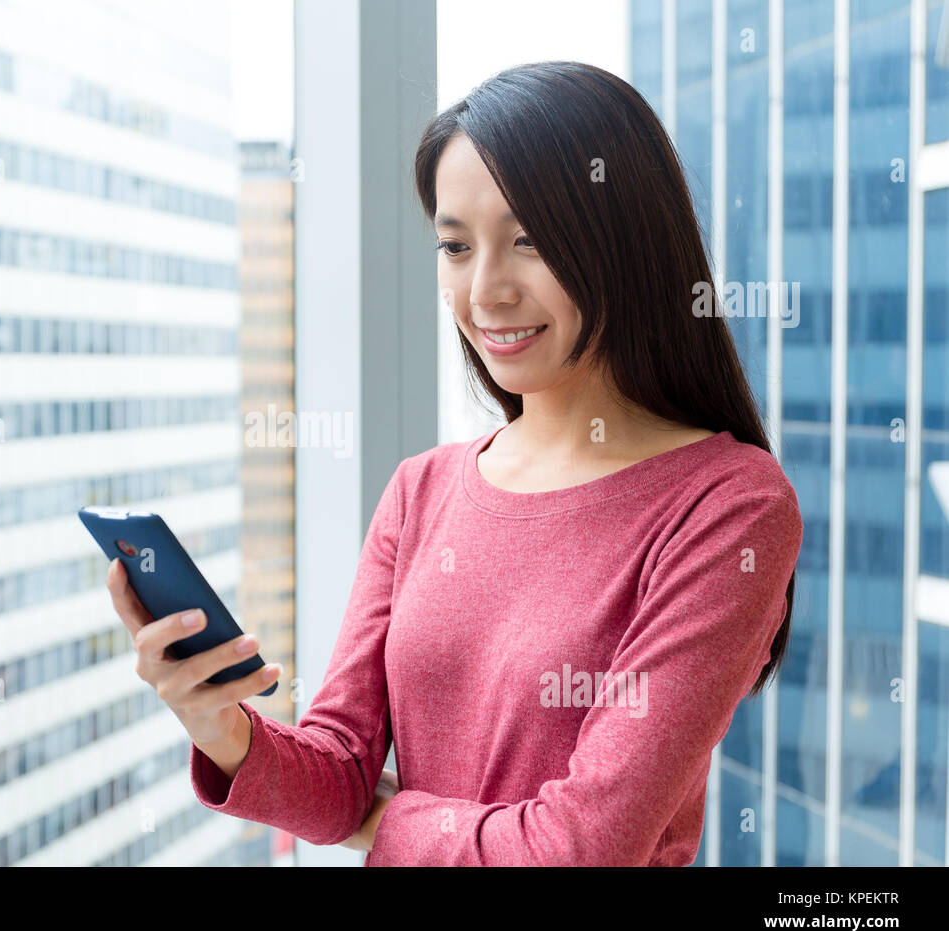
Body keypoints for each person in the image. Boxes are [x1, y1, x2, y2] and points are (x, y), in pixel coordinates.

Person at [105, 61, 802, 866]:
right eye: (456, 246)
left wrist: (386, 823)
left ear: (626, 239)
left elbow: (578, 850)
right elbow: (340, 775)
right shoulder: (422, 489)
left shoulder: (729, 506)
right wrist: (222, 729)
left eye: (529, 241)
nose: (485, 291)